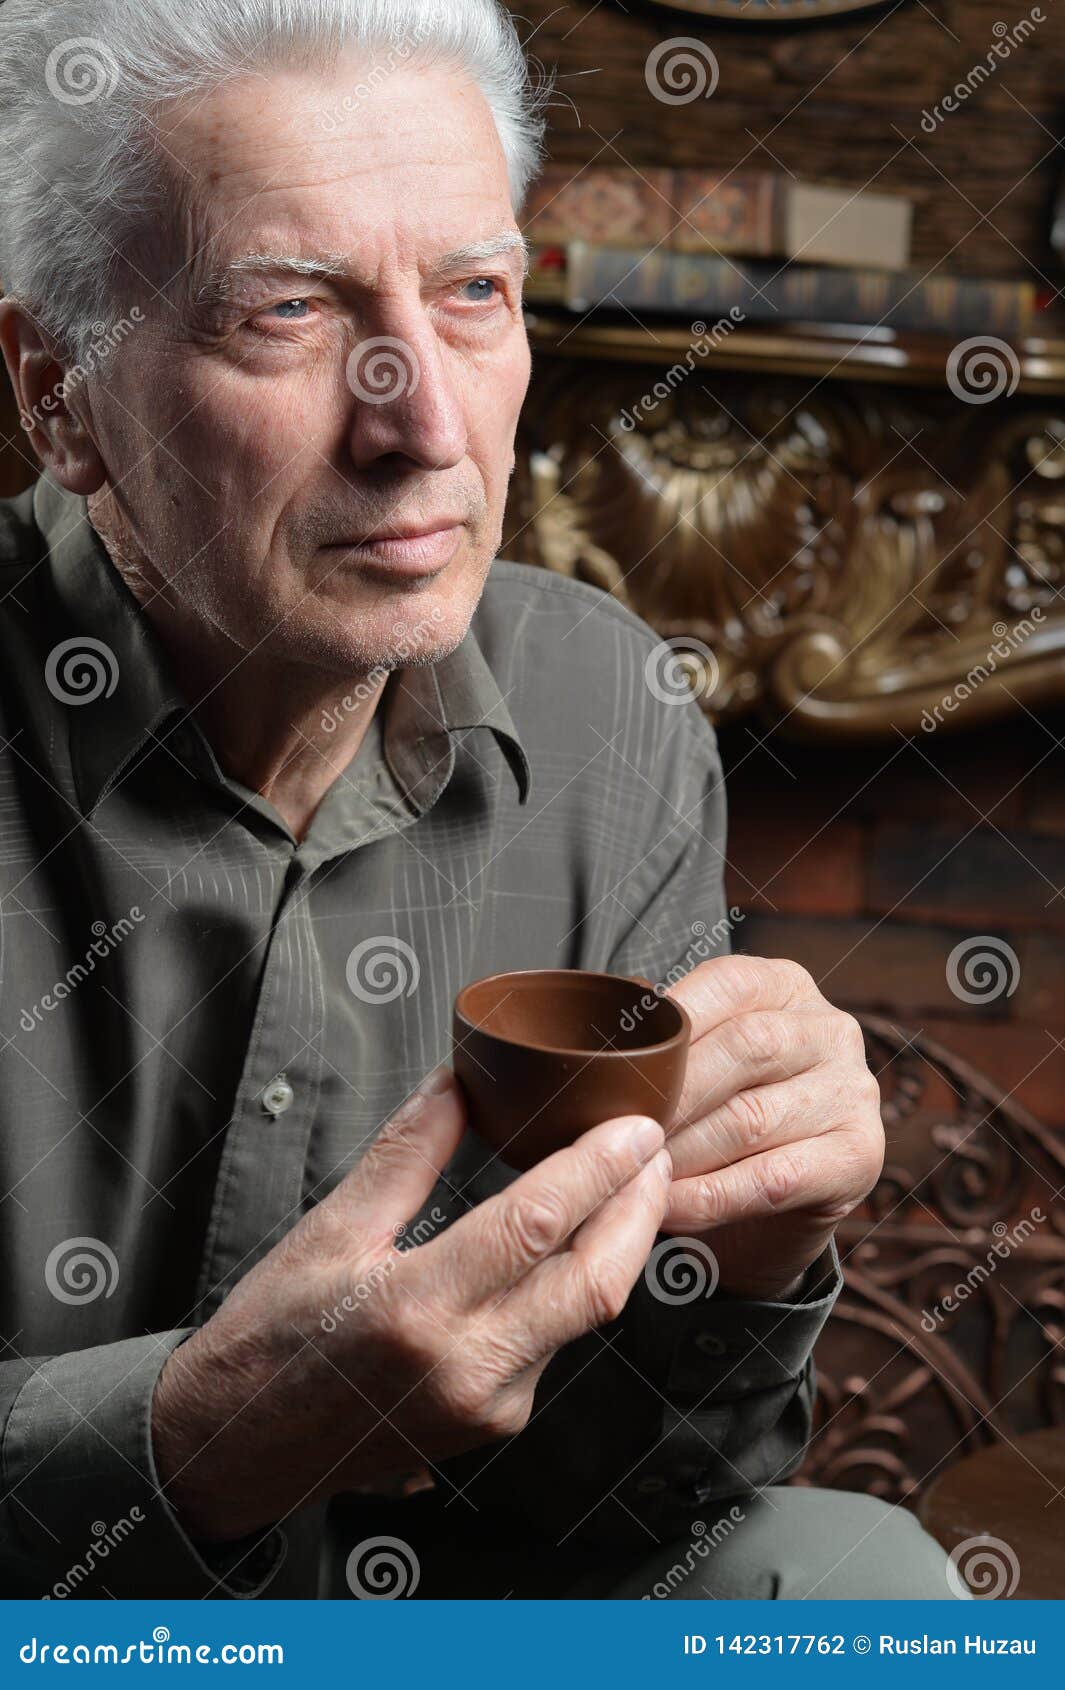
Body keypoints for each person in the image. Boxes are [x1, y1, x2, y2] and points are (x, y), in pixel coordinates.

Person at [0, 0, 963, 1600]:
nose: (425, 429)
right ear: (58, 395)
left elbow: (628, 1513)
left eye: (471, 295)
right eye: (288, 313)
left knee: (854, 1580)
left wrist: (737, 1259)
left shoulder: (609, 711)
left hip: (440, 1625)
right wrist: (196, 1442)